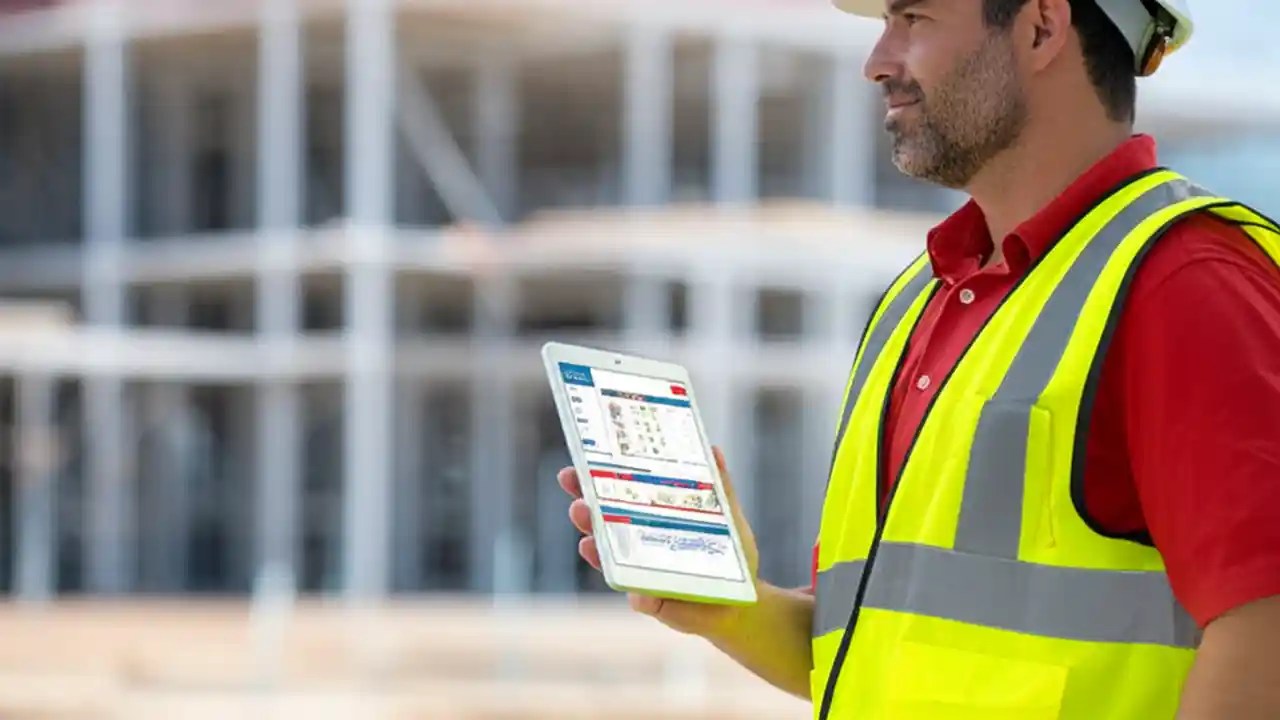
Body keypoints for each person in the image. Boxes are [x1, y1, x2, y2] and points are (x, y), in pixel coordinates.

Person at [557, 0, 1280, 717]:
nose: (877, 63)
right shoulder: (920, 300)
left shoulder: (1185, 281)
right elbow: (888, 659)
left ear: (1040, 27)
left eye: (914, 19)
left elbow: (1266, 630)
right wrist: (735, 607)